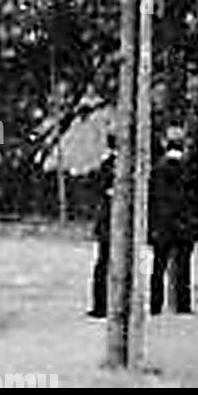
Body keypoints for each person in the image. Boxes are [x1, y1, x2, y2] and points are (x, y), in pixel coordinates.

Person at [148, 126, 198, 315]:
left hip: (162, 225)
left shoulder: (157, 170)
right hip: (184, 225)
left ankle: (156, 304)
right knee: (183, 268)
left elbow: (151, 199)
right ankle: (182, 304)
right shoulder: (191, 170)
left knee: (158, 267)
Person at [88, 134, 116, 318]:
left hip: (107, 223)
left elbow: (97, 188)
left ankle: (101, 304)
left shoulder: (106, 165)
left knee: (103, 264)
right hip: (114, 223)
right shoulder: (128, 166)